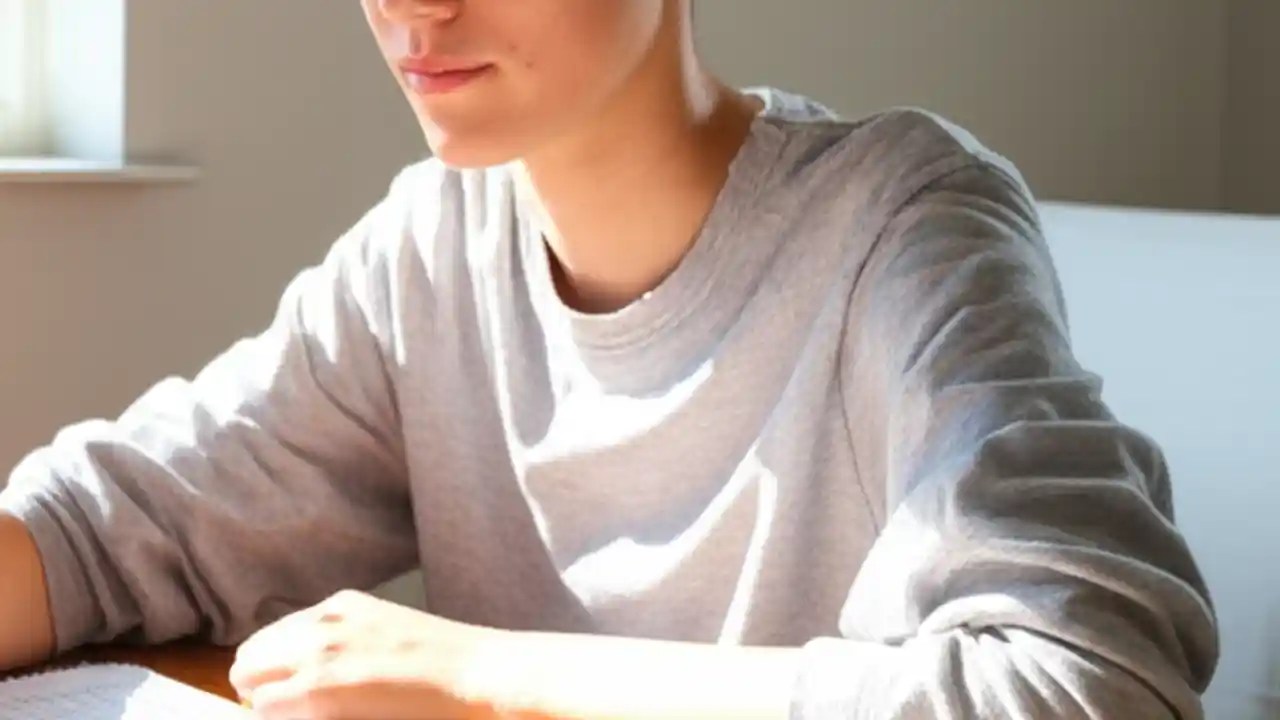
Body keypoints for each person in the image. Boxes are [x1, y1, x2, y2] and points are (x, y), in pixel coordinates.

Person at [0, 1, 1218, 718]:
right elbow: (112, 530)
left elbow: (1090, 684)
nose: (414, 6)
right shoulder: (432, 247)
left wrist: (485, 678)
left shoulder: (898, 229)